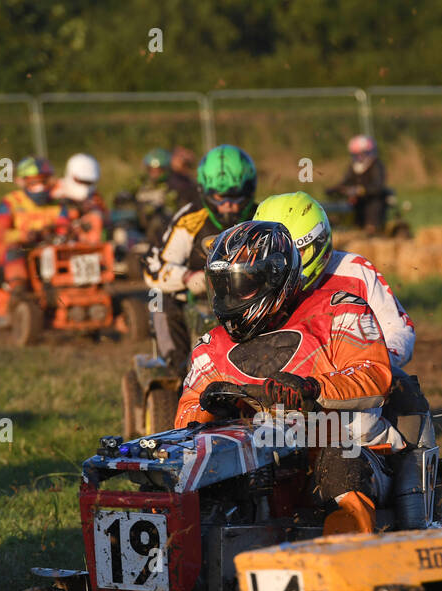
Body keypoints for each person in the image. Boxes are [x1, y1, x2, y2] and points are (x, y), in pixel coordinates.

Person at [174, 221, 397, 535]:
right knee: (195, 476)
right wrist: (210, 410)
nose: (229, 299)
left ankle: (350, 556)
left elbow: (374, 375)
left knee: (339, 463)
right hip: (259, 462)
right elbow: (185, 428)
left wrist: (312, 389)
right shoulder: (211, 348)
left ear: (274, 277)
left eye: (241, 286)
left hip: (351, 452)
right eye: (223, 287)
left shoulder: (340, 311)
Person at [253, 191, 414, 368]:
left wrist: (373, 366)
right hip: (271, 375)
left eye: (297, 253)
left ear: (318, 242)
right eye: (273, 256)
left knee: (403, 383)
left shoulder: (354, 272)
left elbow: (398, 329)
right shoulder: (247, 279)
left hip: (343, 376)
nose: (286, 263)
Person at [144, 144, 257, 374]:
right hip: (197, 300)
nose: (228, 206)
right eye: (220, 197)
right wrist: (187, 277)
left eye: (235, 197)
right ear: (206, 192)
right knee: (159, 298)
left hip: (253, 300)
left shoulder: (262, 216)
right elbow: (155, 268)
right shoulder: (190, 218)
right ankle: (178, 371)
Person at [0, 156, 68, 289]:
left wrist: (54, 235)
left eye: (44, 182)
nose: (40, 188)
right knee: (15, 251)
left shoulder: (57, 205)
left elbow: (63, 229)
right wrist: (23, 235)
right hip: (16, 257)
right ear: (23, 182)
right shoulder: (11, 202)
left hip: (47, 253)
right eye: (34, 183)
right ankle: (18, 290)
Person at [326, 135, 388, 234]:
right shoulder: (353, 167)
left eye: (362, 154)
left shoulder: (376, 165)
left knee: (374, 203)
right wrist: (335, 189)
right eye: (357, 154)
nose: (360, 157)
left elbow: (378, 187)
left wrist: (361, 190)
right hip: (358, 201)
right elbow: (346, 181)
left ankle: (372, 227)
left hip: (372, 200)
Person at [54, 153, 107, 242]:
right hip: (58, 237)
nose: (84, 186)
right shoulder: (56, 191)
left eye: (88, 182)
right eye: (80, 181)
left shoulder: (95, 197)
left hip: (83, 239)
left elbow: (105, 216)